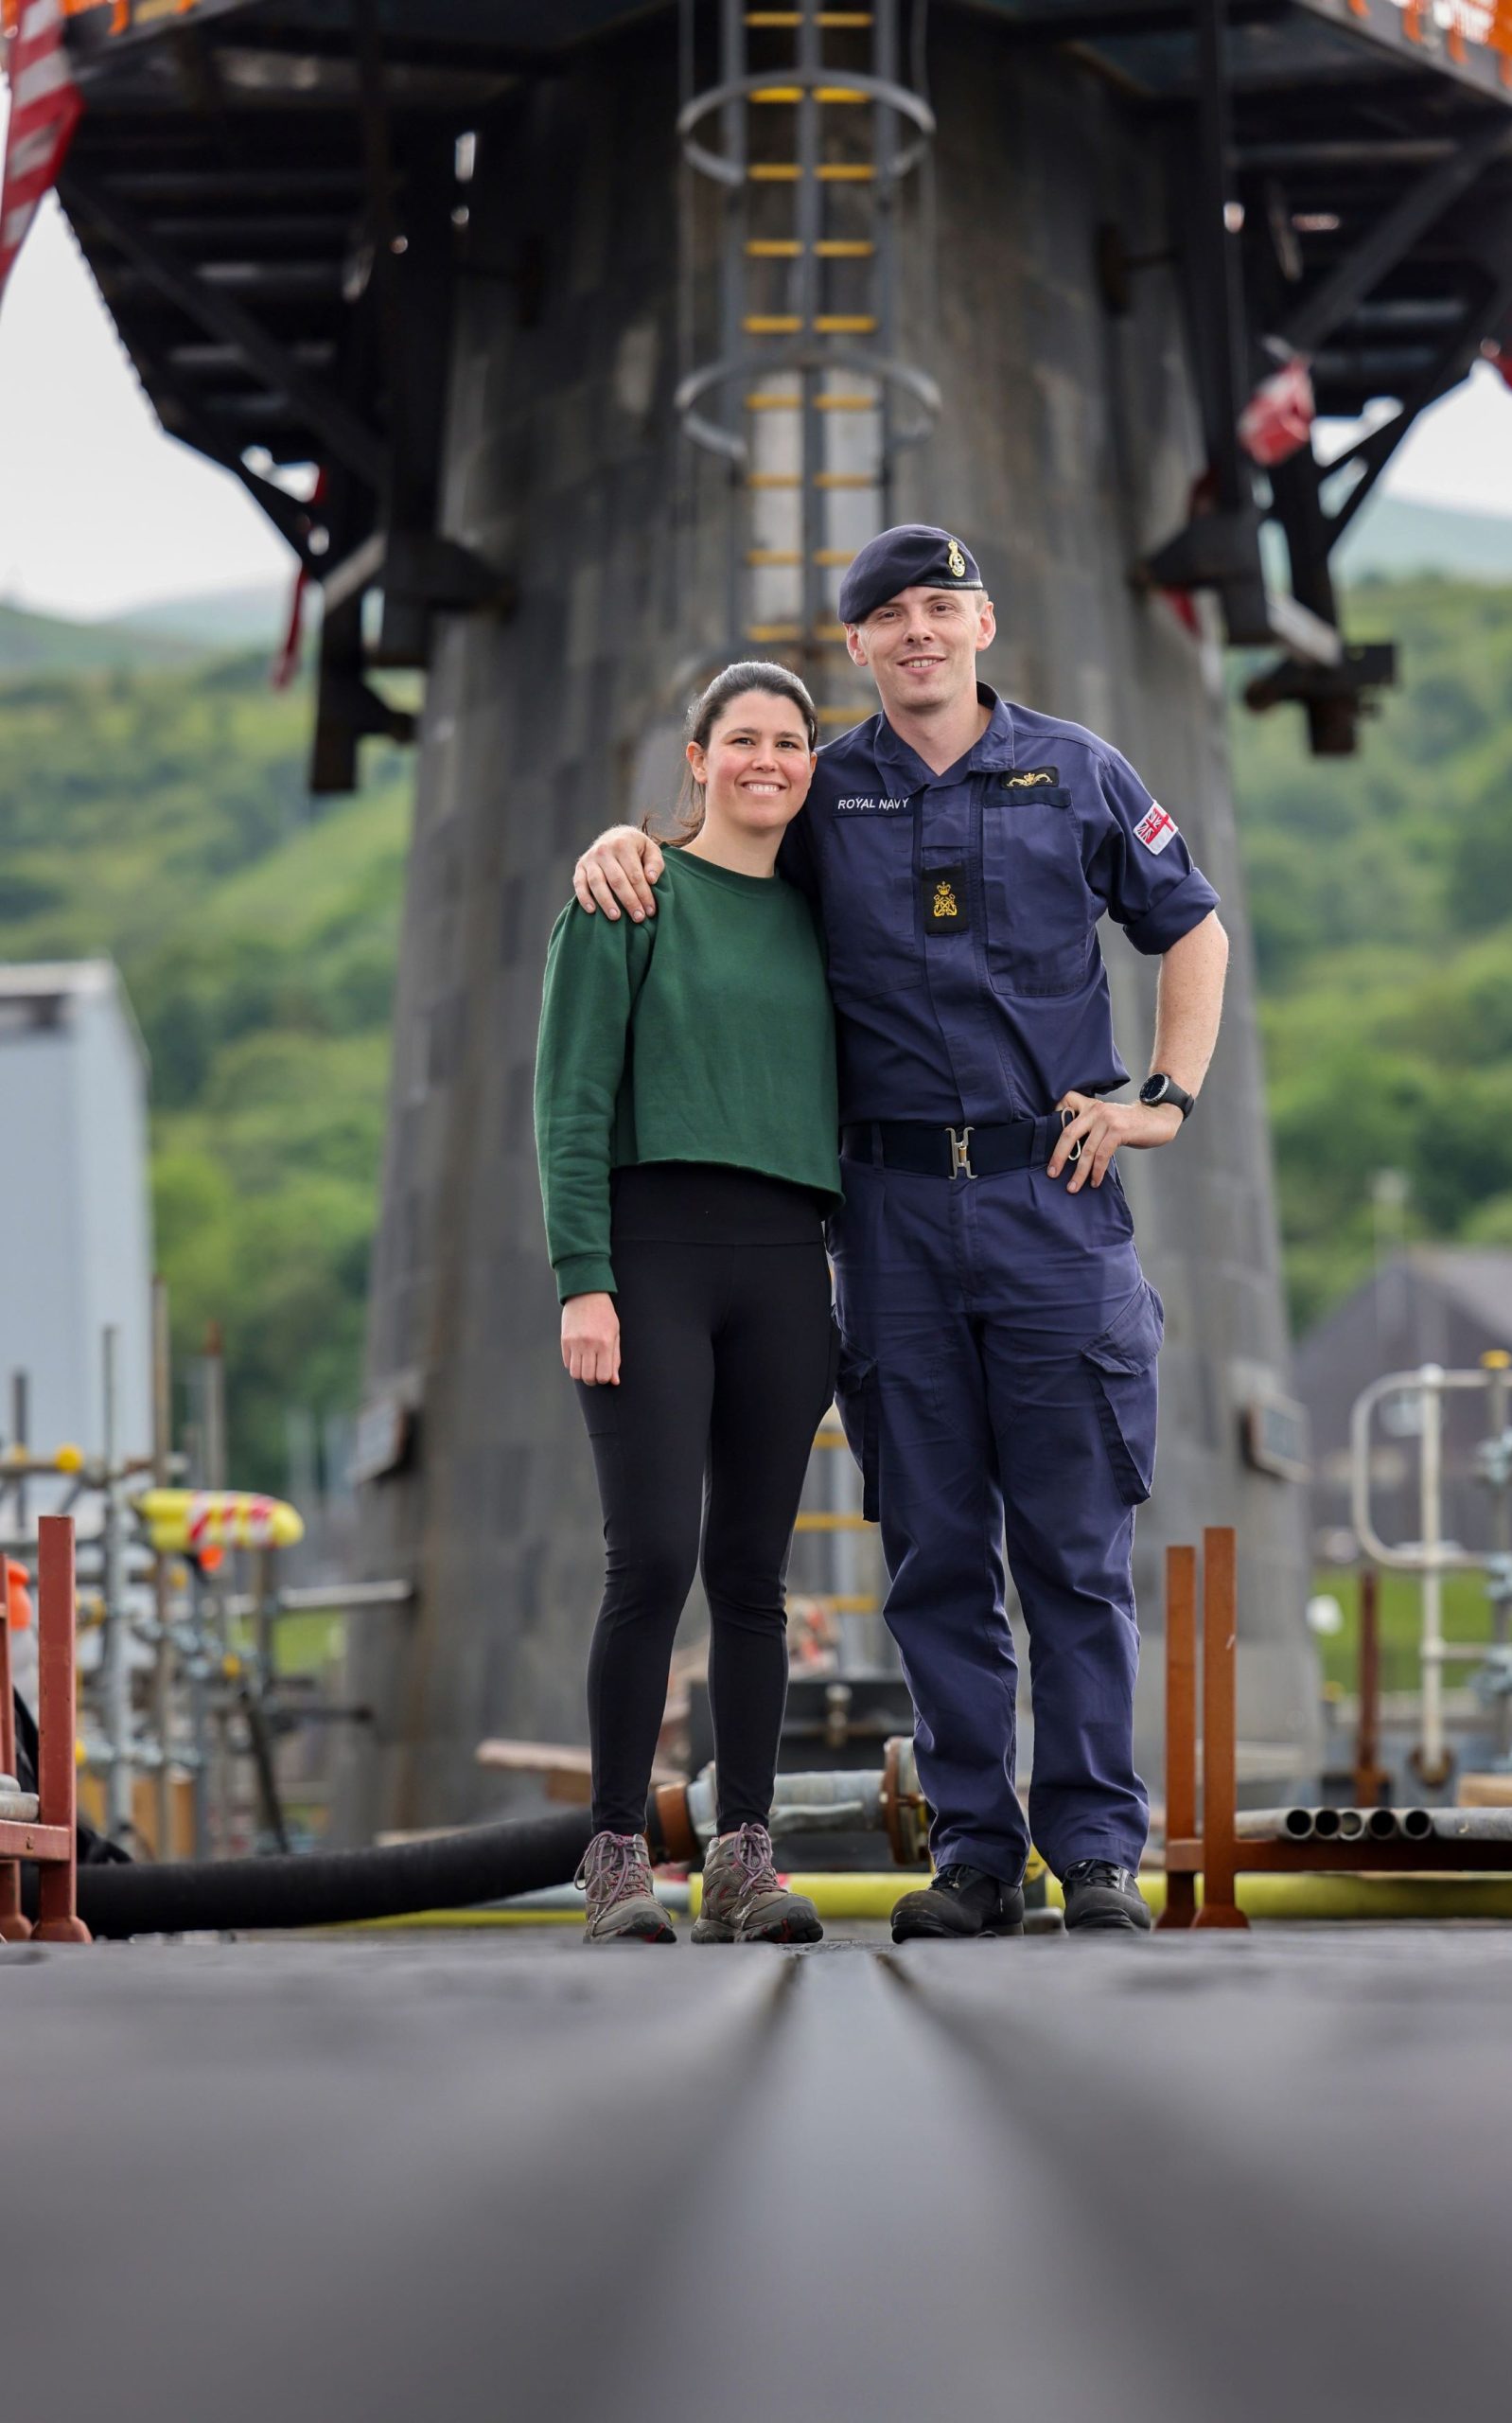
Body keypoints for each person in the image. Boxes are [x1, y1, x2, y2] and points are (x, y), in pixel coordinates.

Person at [571, 527, 1229, 1939]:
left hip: (1052, 1202)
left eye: (942, 605)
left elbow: (1192, 925)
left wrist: (1164, 1099)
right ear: (857, 645)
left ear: (982, 623)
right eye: (889, 614)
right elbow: (722, 851)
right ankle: (977, 1855)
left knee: (1072, 1552)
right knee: (933, 1554)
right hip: (888, 1218)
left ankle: (1095, 1852)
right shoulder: (829, 790)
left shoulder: (1080, 771)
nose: (918, 630)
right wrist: (626, 843)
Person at [535, 662, 842, 1946]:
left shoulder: (828, 913)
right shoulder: (628, 896)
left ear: (811, 768)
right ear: (699, 758)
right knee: (653, 1557)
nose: (767, 760)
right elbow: (569, 1103)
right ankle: (614, 1855)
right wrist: (584, 1280)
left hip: (786, 1264)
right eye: (743, 739)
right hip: (650, 1256)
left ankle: (742, 1861)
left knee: (753, 1577)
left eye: (790, 743)